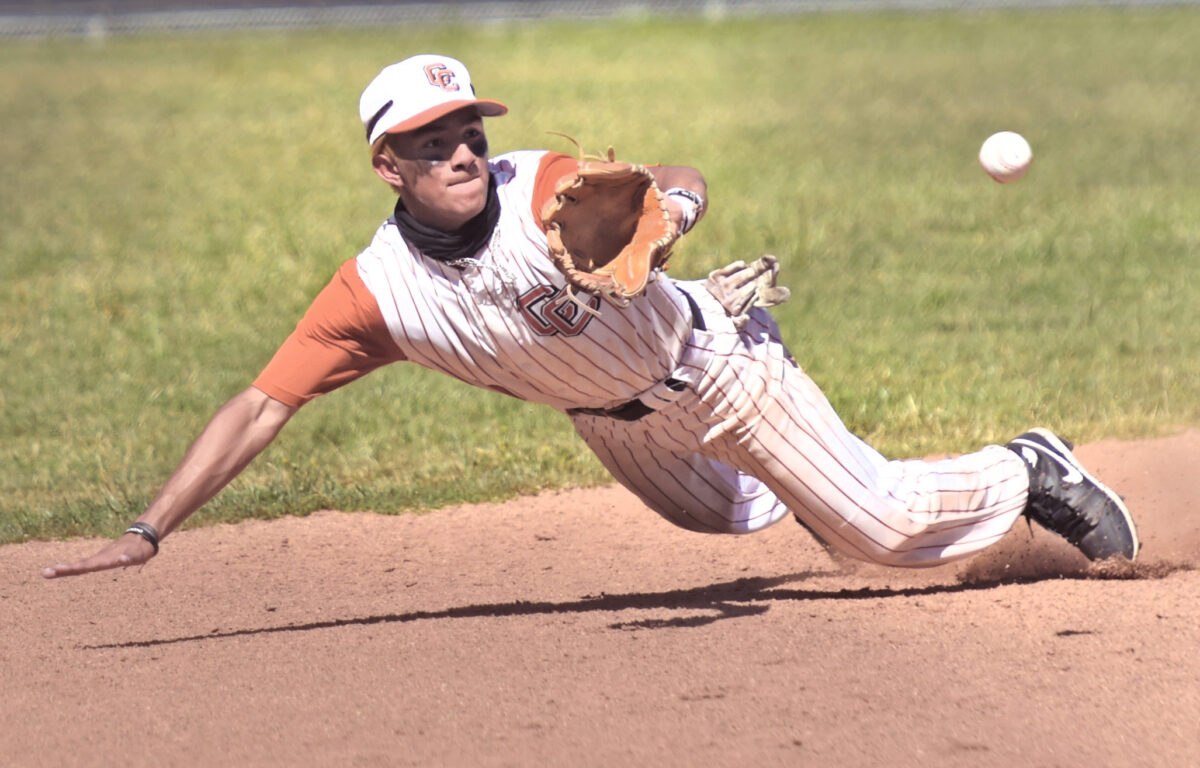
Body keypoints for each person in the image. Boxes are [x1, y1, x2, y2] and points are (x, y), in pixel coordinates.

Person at [42, 54, 1138, 580]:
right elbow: (258, 406)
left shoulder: (540, 186)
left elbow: (675, 171)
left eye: (467, 128)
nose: (463, 150)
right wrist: (150, 528)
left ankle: (1027, 467)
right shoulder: (377, 295)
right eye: (434, 141)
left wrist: (681, 212)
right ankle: (826, 485)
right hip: (614, 421)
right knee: (733, 519)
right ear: (389, 167)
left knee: (883, 534)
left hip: (718, 366)